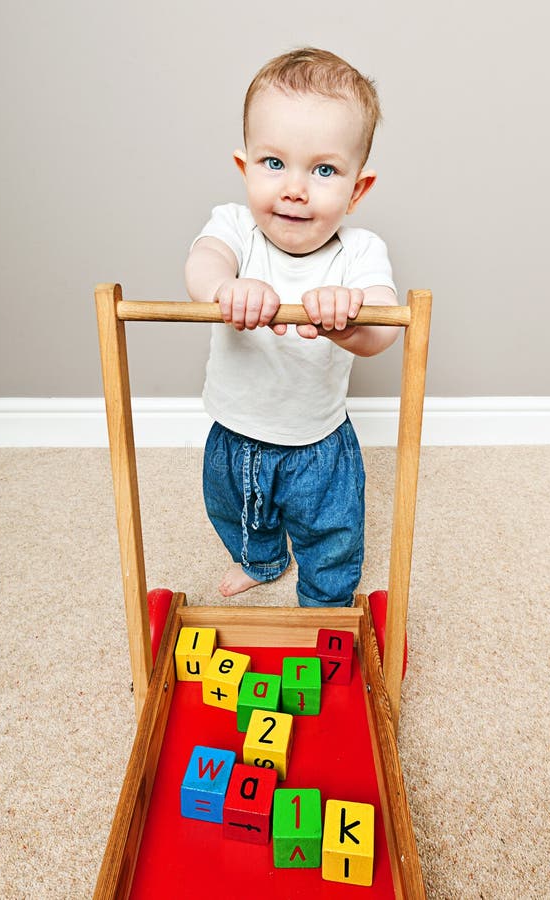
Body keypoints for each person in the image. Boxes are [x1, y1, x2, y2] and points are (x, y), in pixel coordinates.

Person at [185, 47, 399, 607]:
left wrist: (346, 321)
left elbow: (383, 331)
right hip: (234, 432)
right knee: (233, 511)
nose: (295, 188)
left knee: (331, 532)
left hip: (318, 444)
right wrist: (223, 289)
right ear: (245, 167)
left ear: (357, 189)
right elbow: (202, 264)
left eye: (324, 170)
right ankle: (262, 560)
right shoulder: (233, 228)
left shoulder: (359, 253)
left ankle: (325, 602)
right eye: (274, 163)